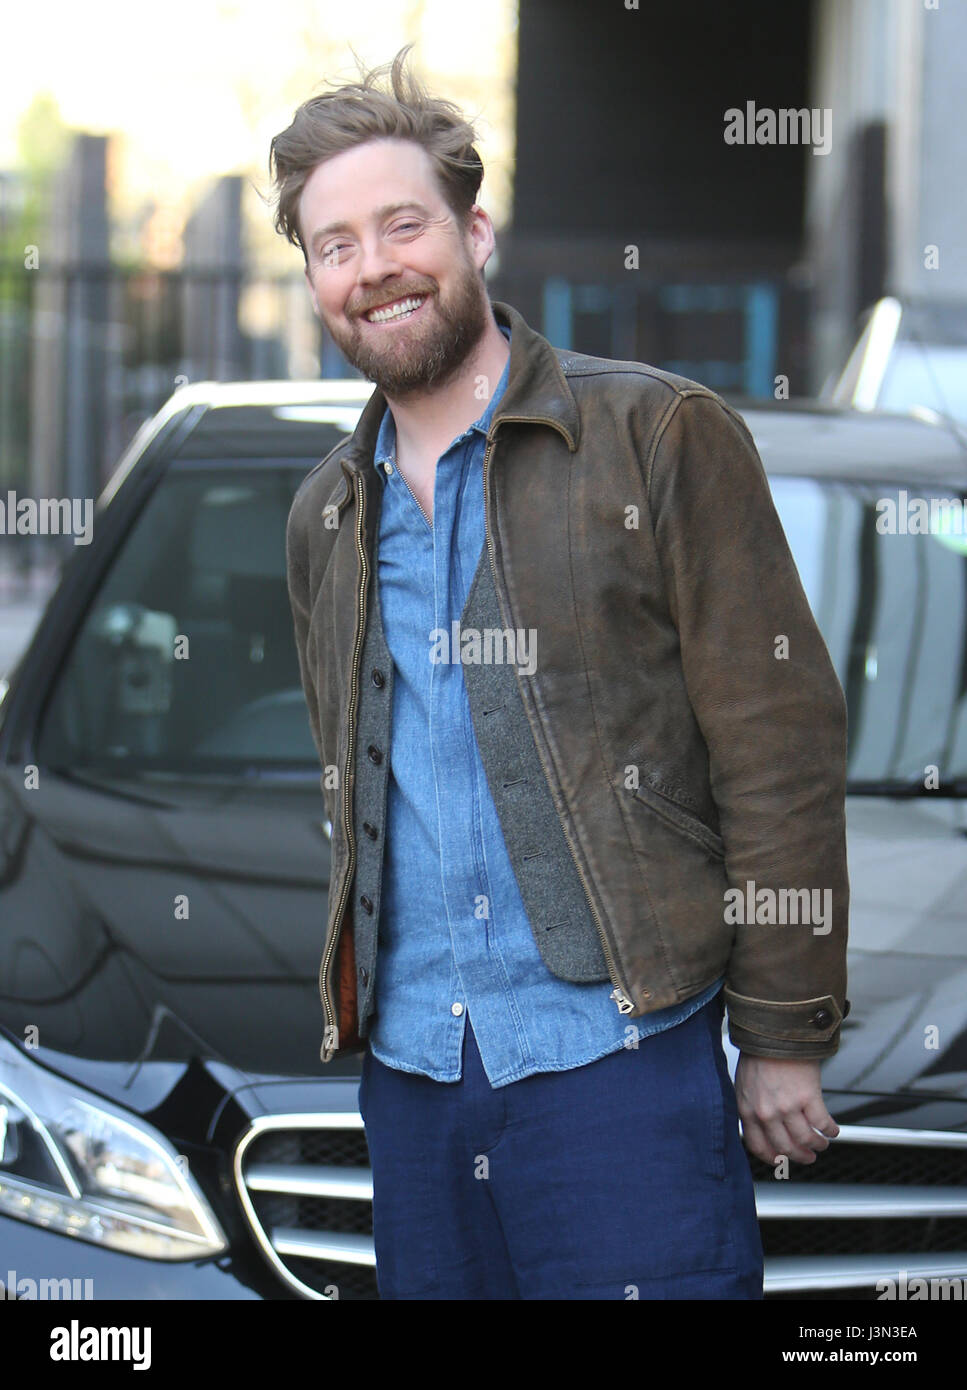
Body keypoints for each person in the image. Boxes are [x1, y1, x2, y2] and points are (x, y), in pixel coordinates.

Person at [270, 44, 850, 1300]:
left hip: (622, 1063)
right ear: (315, 278)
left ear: (476, 233)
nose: (372, 268)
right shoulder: (324, 514)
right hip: (416, 1083)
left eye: (400, 224)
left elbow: (779, 744)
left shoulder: (656, 436)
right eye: (334, 245)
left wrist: (784, 1035)